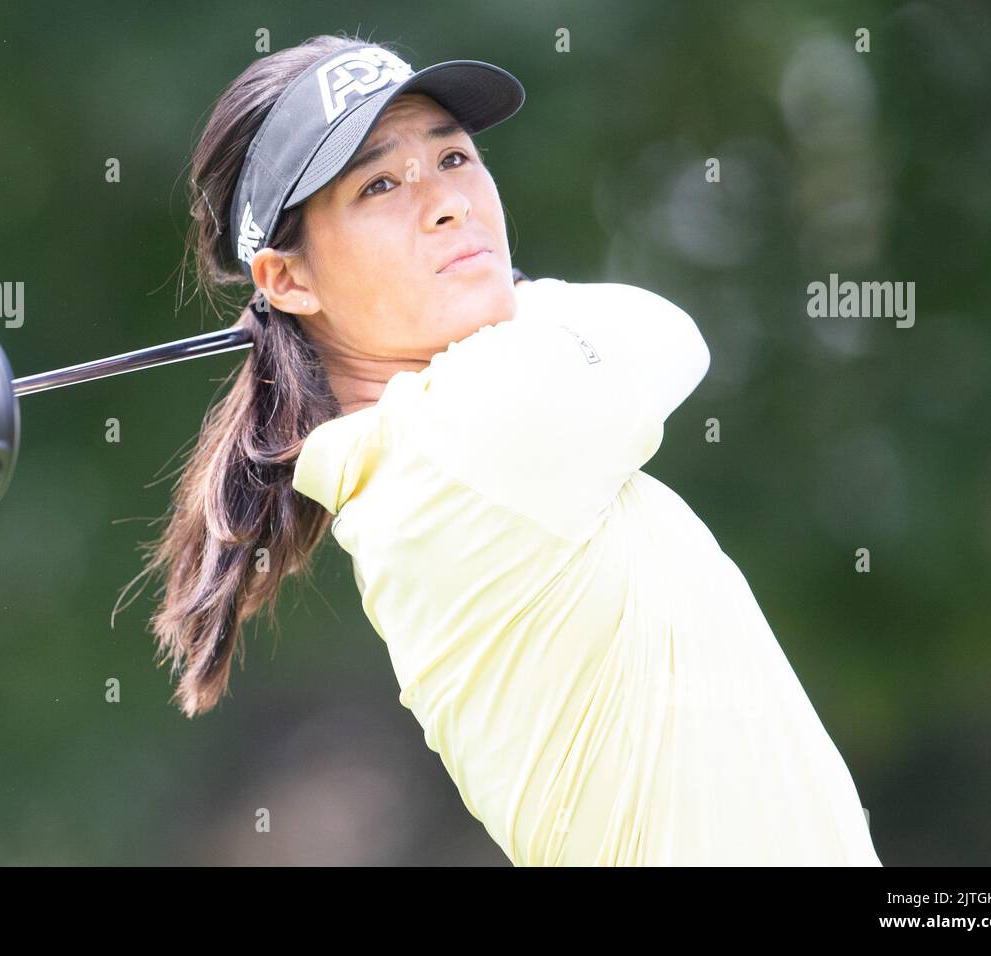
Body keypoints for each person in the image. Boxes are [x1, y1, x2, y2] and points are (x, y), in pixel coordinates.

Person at [118, 32, 883, 866]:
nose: (449, 203)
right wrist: (495, 285)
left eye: (453, 159)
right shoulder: (450, 455)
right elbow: (671, 332)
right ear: (289, 281)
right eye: (379, 184)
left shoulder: (440, 436)